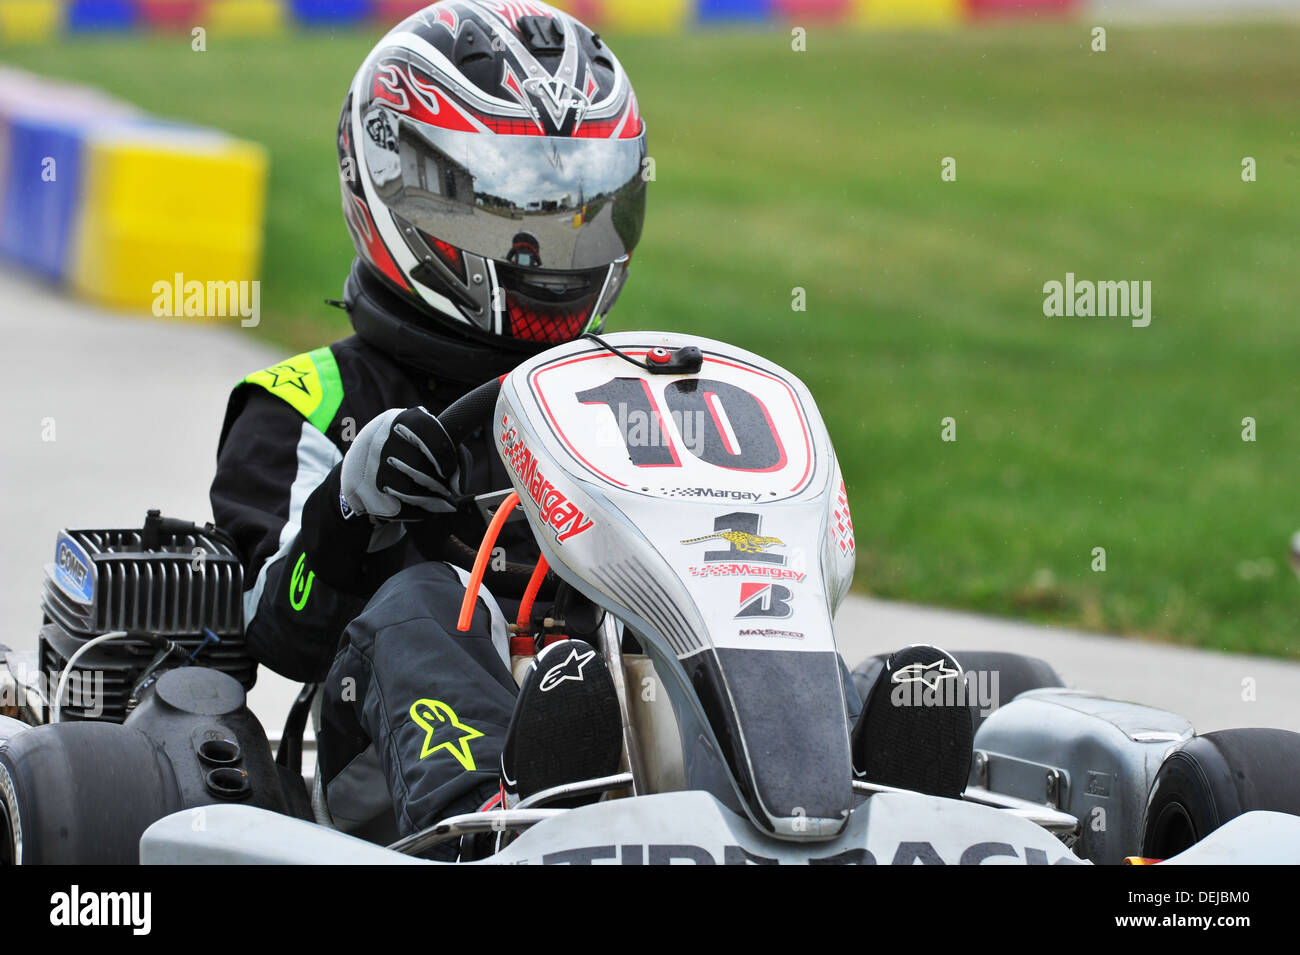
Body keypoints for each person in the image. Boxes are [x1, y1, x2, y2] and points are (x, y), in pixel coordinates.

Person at [210, 0, 646, 854]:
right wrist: (350, 504)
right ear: (398, 186)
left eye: (576, 205)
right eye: (508, 206)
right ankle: (489, 823)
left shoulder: (613, 394)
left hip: (610, 708)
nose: (545, 248)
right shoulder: (306, 399)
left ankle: (828, 771)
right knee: (428, 600)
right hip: (380, 768)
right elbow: (272, 628)